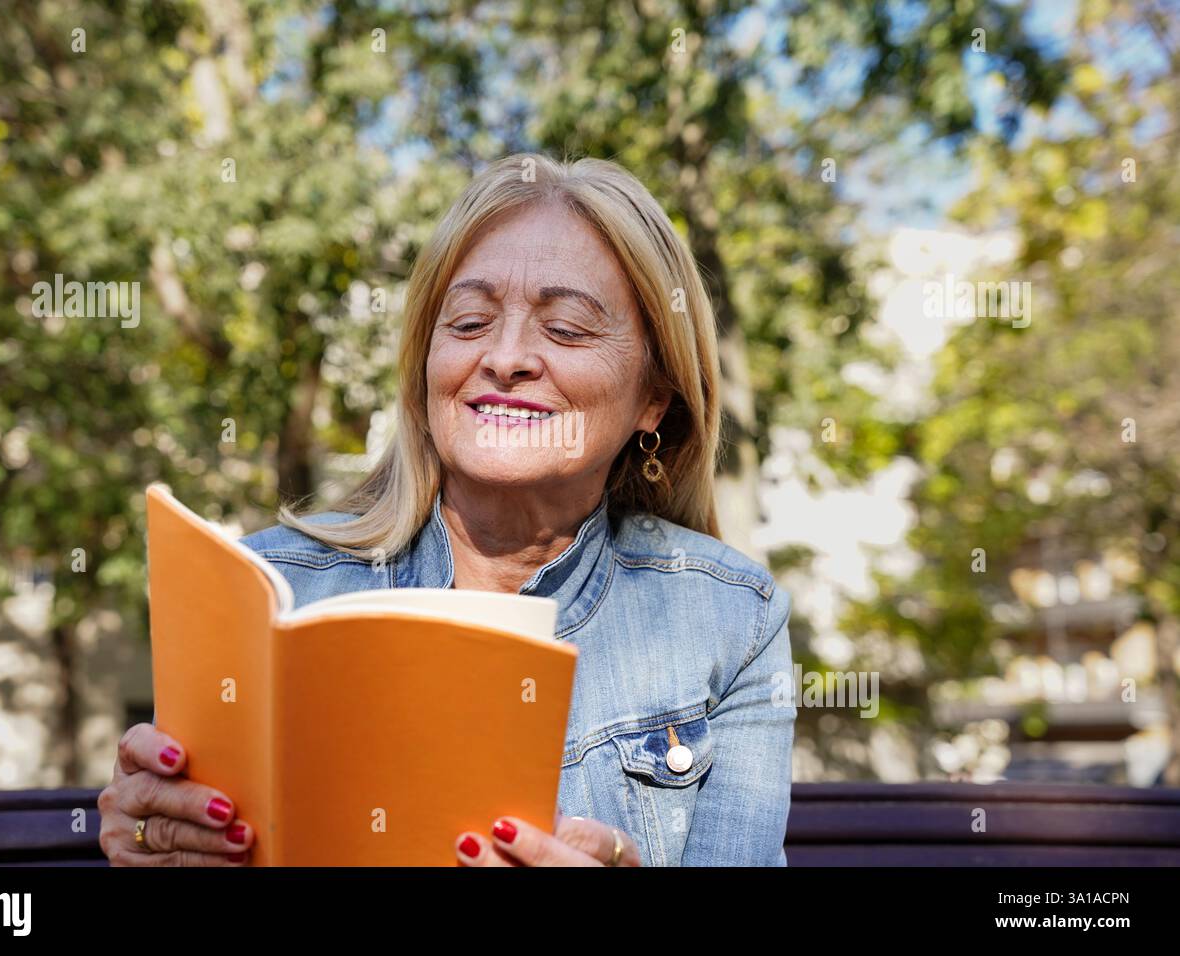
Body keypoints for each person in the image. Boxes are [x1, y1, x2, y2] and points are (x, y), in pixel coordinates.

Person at [99, 153, 796, 867]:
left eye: (566, 329)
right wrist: (154, 840)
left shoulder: (732, 618)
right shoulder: (268, 589)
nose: (505, 357)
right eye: (468, 322)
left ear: (654, 397)